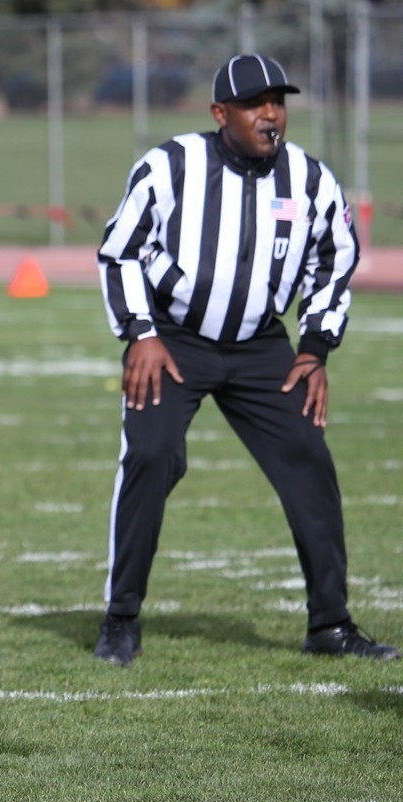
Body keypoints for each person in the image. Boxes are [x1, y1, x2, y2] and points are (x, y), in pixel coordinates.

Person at [93, 53, 398, 667]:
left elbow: (336, 260)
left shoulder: (311, 179)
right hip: (174, 340)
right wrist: (141, 333)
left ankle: (330, 625)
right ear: (220, 113)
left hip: (263, 347)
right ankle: (121, 620)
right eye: (256, 104)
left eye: (278, 102)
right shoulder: (170, 166)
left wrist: (315, 348)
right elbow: (120, 251)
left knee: (309, 461)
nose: (271, 115)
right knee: (150, 456)